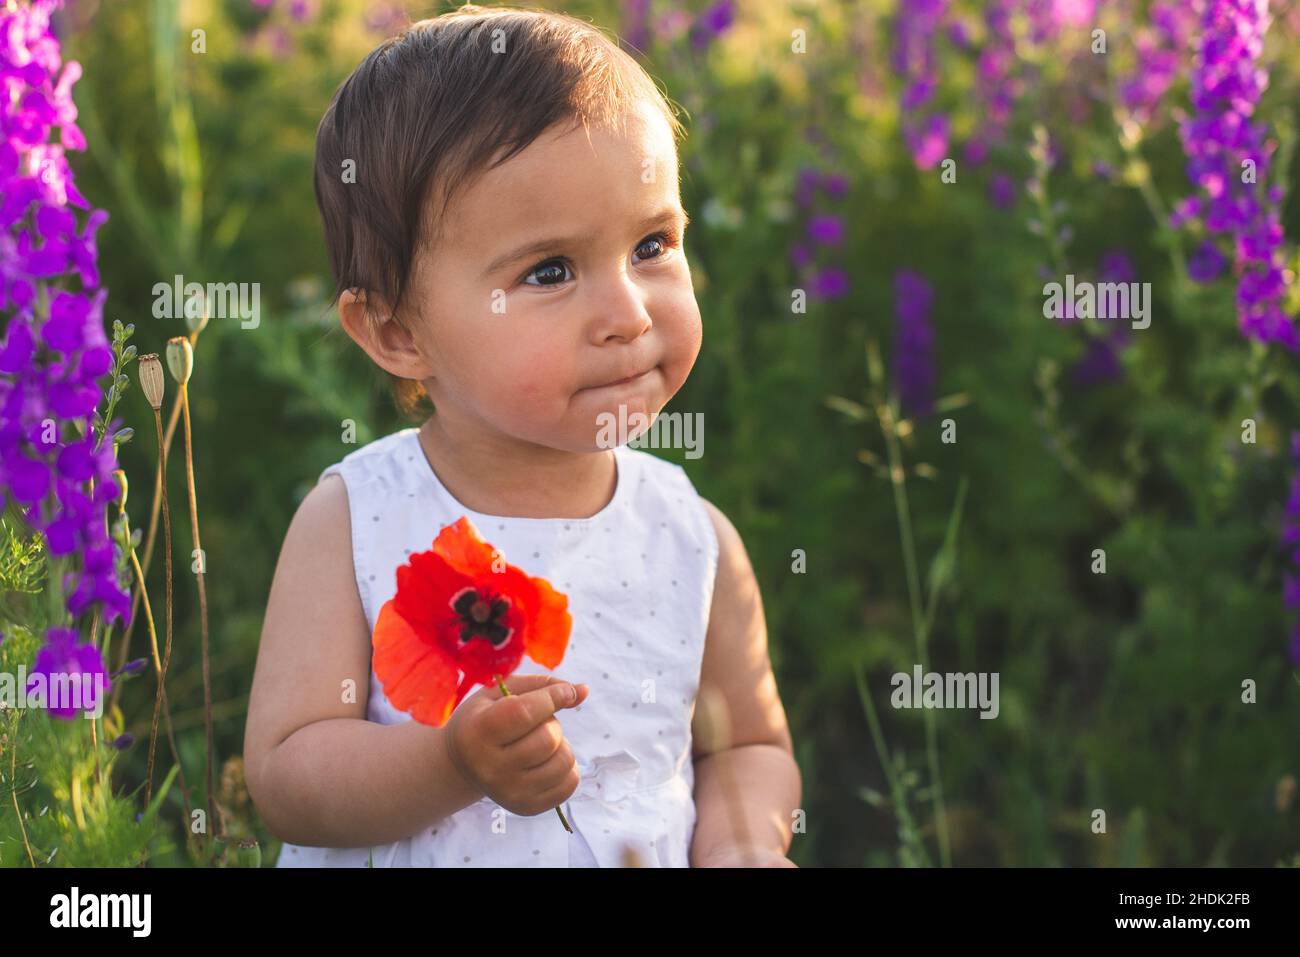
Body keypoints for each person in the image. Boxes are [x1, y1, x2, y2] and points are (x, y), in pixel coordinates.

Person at [244, 4, 799, 867]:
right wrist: (451, 761)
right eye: (550, 271)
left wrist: (740, 844)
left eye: (653, 243)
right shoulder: (356, 518)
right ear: (398, 333)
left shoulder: (691, 536)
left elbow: (744, 747)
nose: (626, 312)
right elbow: (285, 773)